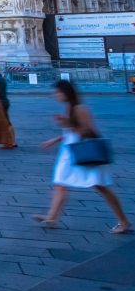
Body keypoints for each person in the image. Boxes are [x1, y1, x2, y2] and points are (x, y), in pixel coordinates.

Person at [35, 80, 130, 234]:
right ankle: (52, 217)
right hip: (70, 151)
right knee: (60, 183)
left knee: (100, 186)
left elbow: (90, 131)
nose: (55, 95)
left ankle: (124, 221)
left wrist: (68, 124)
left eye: (57, 92)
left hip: (83, 151)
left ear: (65, 92)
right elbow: (70, 132)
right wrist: (56, 138)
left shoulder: (80, 109)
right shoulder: (69, 108)